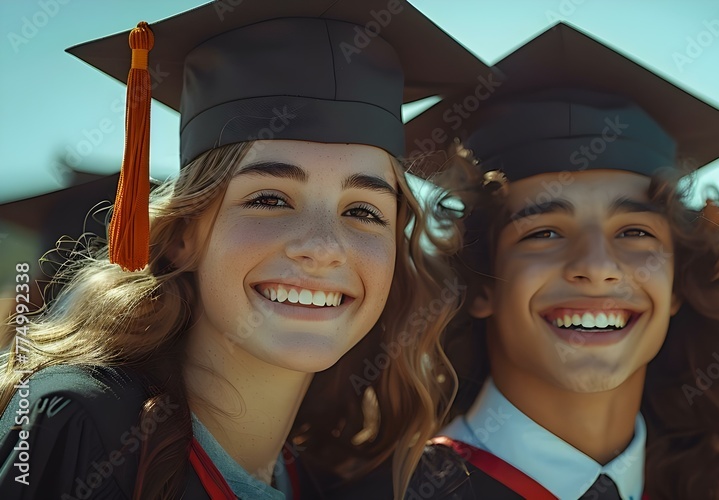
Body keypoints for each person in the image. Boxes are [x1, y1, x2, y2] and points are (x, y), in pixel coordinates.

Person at [0, 1, 487, 498]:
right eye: (269, 200)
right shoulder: (86, 430)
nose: (322, 248)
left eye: (363, 211)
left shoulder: (322, 478)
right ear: (184, 234)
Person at [339, 22, 719, 499]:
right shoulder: (394, 493)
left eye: (635, 232)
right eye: (544, 233)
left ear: (676, 284)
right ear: (481, 284)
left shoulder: (718, 487)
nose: (597, 266)